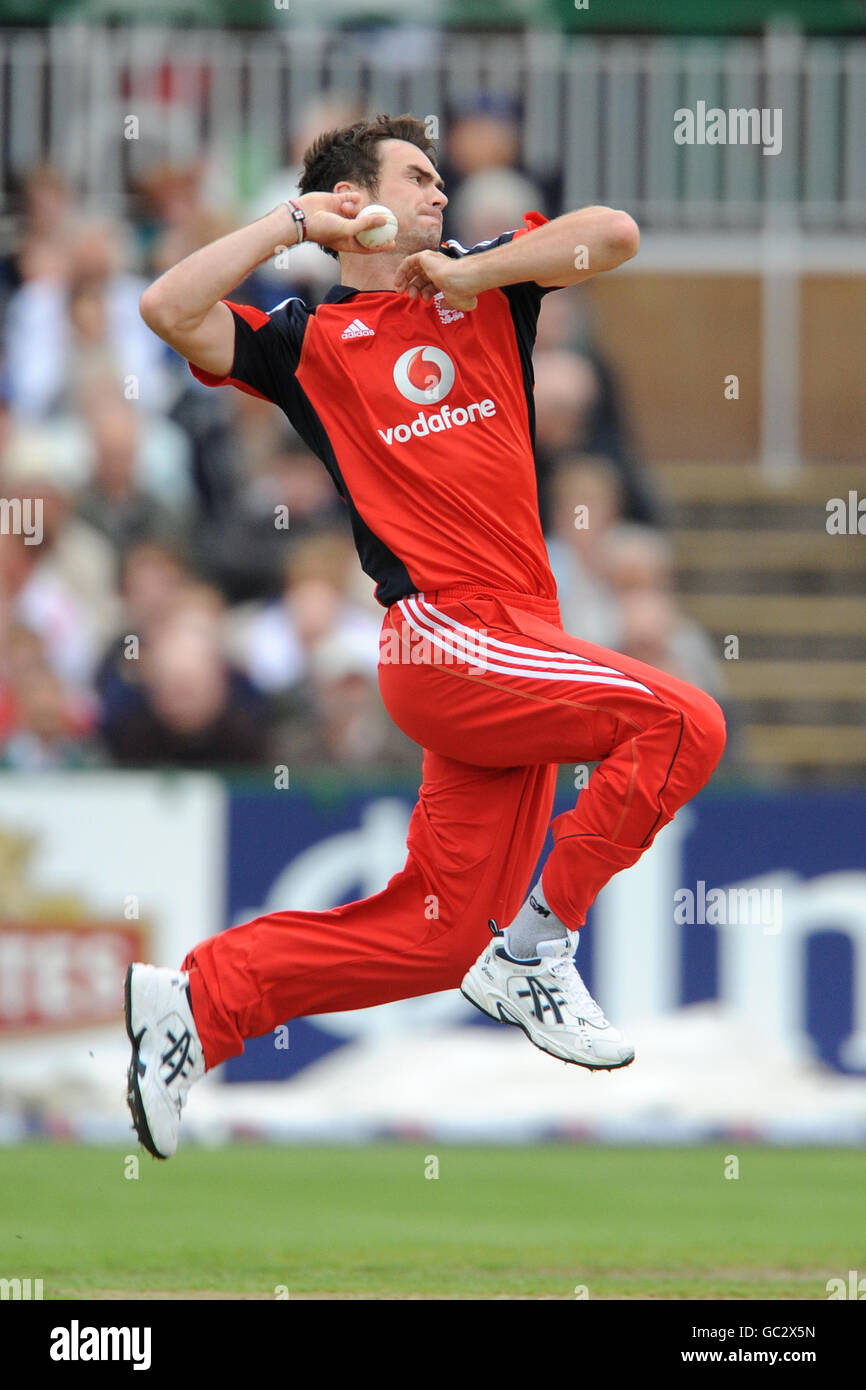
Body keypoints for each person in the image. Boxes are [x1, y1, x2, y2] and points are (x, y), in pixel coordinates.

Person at [125, 113, 726, 1159]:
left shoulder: (489, 284)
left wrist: (471, 278)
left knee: (440, 933)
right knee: (685, 723)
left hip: (516, 652)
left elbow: (615, 232)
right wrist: (284, 228)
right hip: (444, 639)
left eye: (440, 179)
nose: (439, 194)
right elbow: (165, 307)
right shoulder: (304, 342)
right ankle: (540, 947)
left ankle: (197, 1001)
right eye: (415, 178)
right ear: (354, 204)